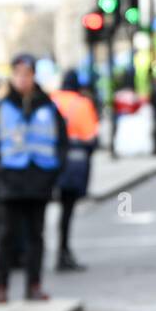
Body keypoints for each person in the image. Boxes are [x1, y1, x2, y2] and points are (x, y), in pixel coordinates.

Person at [0, 53, 68, 303]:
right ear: (12, 76)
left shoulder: (48, 105)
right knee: (5, 235)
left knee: (35, 237)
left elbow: (61, 140)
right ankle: (1, 287)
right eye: (18, 74)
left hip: (39, 179)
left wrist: (53, 171)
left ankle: (34, 285)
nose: (22, 79)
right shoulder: (0, 105)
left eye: (27, 74)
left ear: (33, 76)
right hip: (9, 181)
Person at [48, 70, 100, 271]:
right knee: (66, 211)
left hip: (48, 164)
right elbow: (91, 138)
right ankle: (63, 252)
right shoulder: (82, 103)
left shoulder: (52, 100)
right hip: (74, 164)